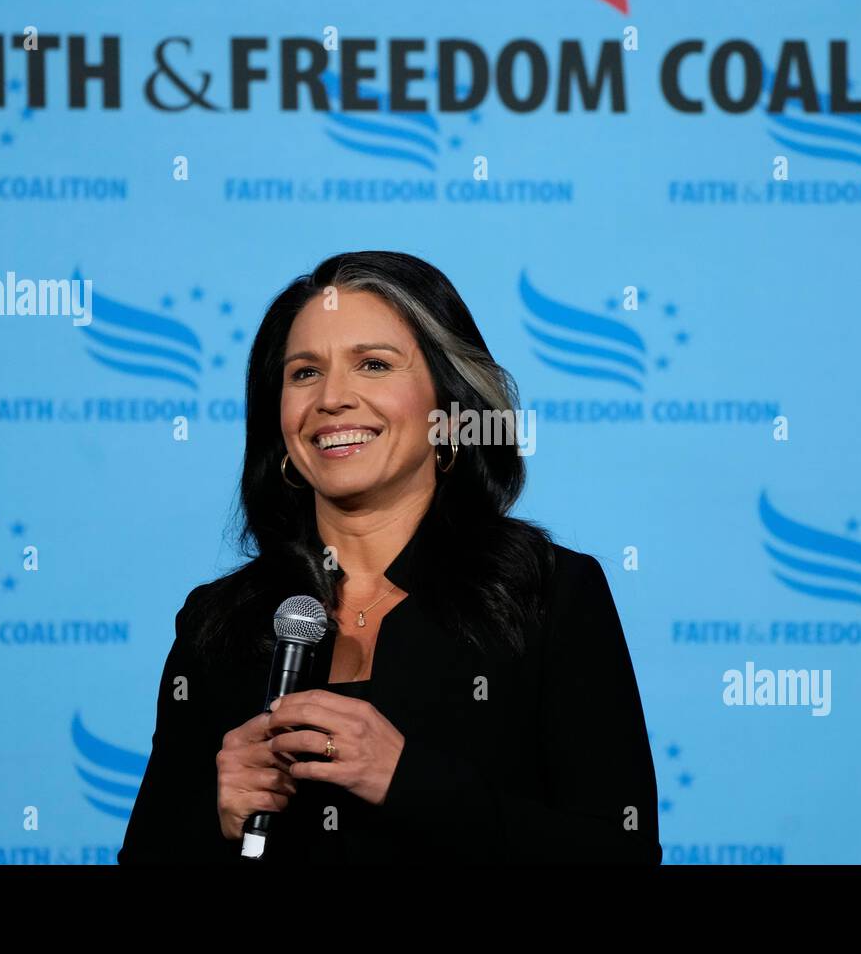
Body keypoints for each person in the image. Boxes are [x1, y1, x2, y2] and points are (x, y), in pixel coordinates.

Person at [118, 251, 660, 864]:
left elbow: (622, 855)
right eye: (303, 374)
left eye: (373, 365)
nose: (331, 399)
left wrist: (408, 781)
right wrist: (218, 818)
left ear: (448, 410)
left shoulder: (551, 593)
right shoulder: (218, 621)